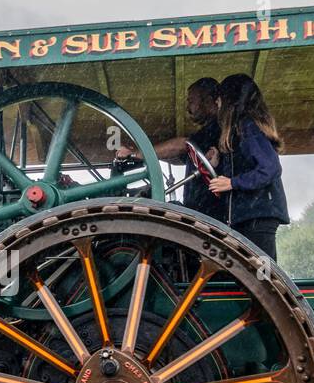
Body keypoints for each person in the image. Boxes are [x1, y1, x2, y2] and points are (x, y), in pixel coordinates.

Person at [206, 73, 290, 260]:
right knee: (255, 271)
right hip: (253, 214)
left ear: (229, 100)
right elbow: (248, 164)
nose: (217, 103)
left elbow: (270, 168)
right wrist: (219, 164)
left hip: (257, 215)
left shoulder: (247, 127)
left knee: (262, 274)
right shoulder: (245, 127)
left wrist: (233, 183)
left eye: (220, 98)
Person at [116, 78, 225, 219]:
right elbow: (180, 157)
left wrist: (137, 154)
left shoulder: (217, 129)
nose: (188, 108)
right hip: (205, 211)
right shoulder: (212, 133)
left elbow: (182, 145)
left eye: (191, 102)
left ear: (208, 100)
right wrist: (153, 155)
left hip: (208, 211)